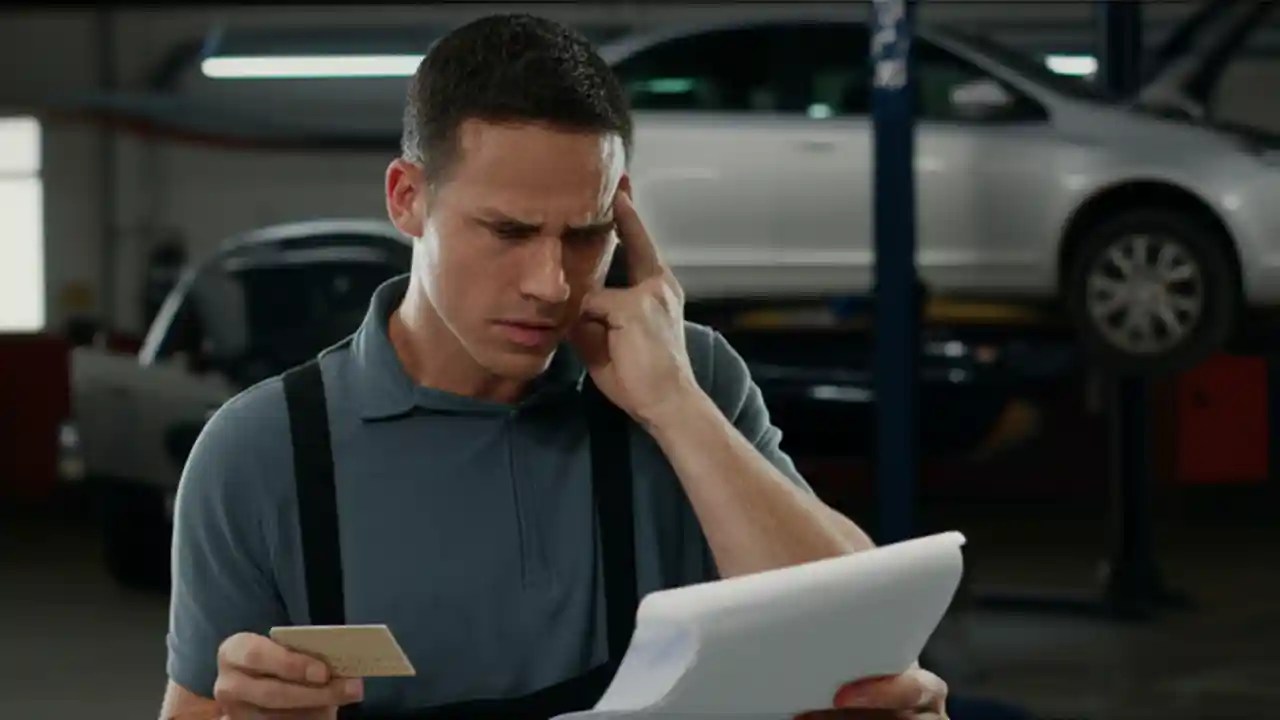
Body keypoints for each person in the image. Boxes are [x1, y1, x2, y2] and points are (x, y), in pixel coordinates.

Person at [159, 13, 950, 720]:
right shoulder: (262, 453)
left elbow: (862, 652)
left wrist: (673, 406)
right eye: (507, 230)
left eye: (586, 233)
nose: (552, 284)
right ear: (408, 199)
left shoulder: (688, 379)